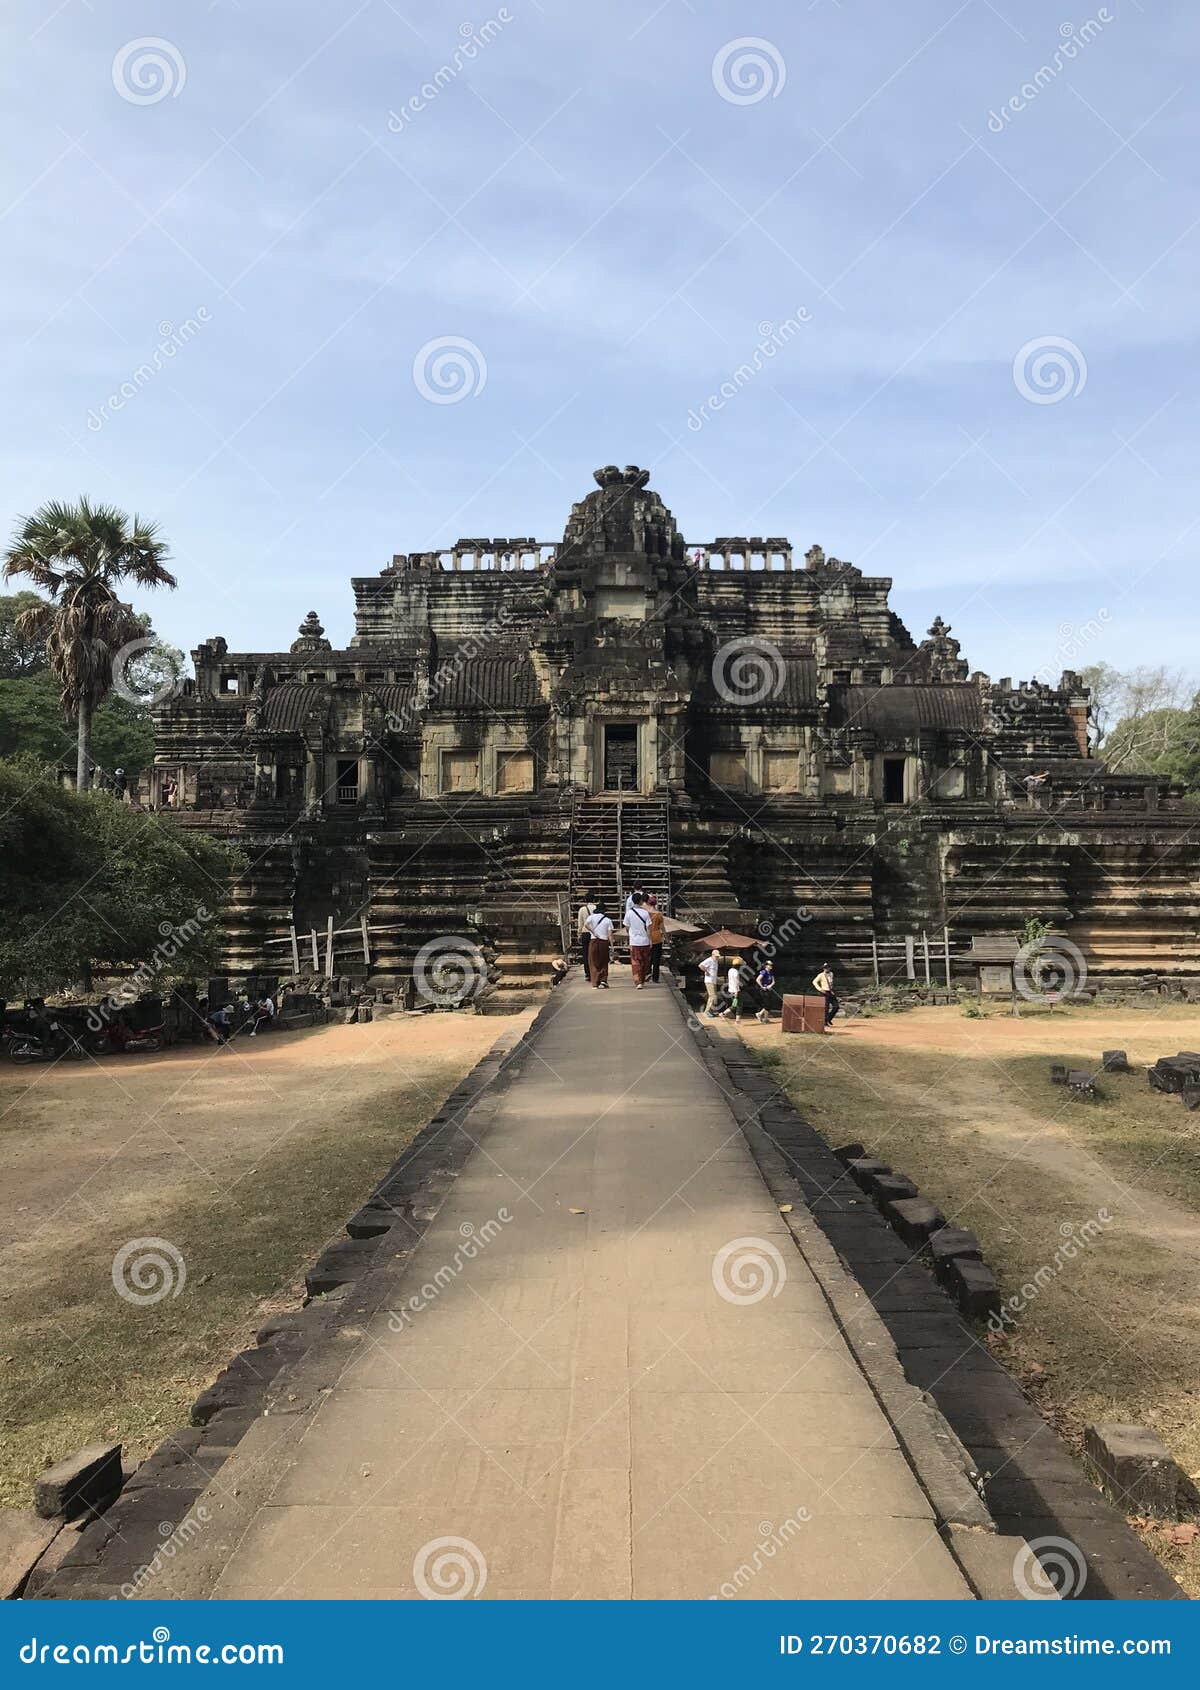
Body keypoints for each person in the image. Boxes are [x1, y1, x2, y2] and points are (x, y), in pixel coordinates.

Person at [626, 892, 653, 989]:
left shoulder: (628, 913)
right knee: (644, 962)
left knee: (635, 962)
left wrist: (630, 935)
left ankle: (638, 982)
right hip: (644, 940)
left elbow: (627, 927)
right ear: (641, 901)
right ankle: (642, 979)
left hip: (634, 941)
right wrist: (650, 941)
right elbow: (649, 929)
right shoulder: (645, 913)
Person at [585, 903, 614, 988]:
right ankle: (603, 980)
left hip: (593, 940)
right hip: (604, 942)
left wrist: (593, 932)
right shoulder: (608, 920)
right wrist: (612, 945)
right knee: (604, 961)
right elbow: (610, 934)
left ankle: (595, 982)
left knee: (593, 962)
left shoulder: (591, 917)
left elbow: (586, 925)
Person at [577, 891, 597, 981]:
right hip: (594, 933)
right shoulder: (596, 908)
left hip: (585, 933)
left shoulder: (582, 910)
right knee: (594, 953)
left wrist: (579, 934)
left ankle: (587, 973)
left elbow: (580, 923)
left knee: (585, 954)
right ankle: (595, 972)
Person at [813, 963, 839, 1030]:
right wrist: (820, 989)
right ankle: (825, 1022)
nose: (827, 969)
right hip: (824, 992)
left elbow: (831, 983)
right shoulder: (821, 975)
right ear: (823, 968)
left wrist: (832, 990)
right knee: (826, 1008)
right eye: (825, 968)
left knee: (836, 1006)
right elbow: (814, 982)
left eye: (828, 967)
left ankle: (828, 1018)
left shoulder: (831, 974)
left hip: (830, 991)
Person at [646, 894, 665, 983]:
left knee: (647, 957)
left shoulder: (645, 913)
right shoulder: (659, 915)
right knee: (656, 959)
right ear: (655, 904)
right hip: (657, 937)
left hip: (647, 937)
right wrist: (665, 936)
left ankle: (647, 973)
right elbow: (662, 927)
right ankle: (655, 978)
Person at [700, 948, 722, 1015]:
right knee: (712, 996)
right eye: (716, 956)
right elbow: (701, 965)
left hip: (713, 981)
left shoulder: (715, 961)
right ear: (712, 955)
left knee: (714, 996)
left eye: (718, 956)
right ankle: (707, 1011)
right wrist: (706, 971)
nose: (717, 957)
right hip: (709, 981)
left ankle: (711, 1010)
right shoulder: (709, 960)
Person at [754, 958, 777, 1022]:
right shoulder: (764, 972)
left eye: (771, 965)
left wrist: (770, 985)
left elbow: (773, 982)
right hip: (763, 990)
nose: (771, 966)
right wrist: (762, 986)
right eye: (770, 965)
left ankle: (761, 1015)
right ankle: (764, 1018)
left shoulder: (771, 973)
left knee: (768, 1004)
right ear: (766, 966)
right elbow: (757, 979)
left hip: (768, 990)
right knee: (767, 1004)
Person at [721, 956, 744, 1020]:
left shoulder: (730, 970)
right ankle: (737, 1021)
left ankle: (723, 1014)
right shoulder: (736, 972)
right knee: (739, 1006)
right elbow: (736, 982)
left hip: (731, 990)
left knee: (734, 1005)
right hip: (736, 991)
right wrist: (736, 992)